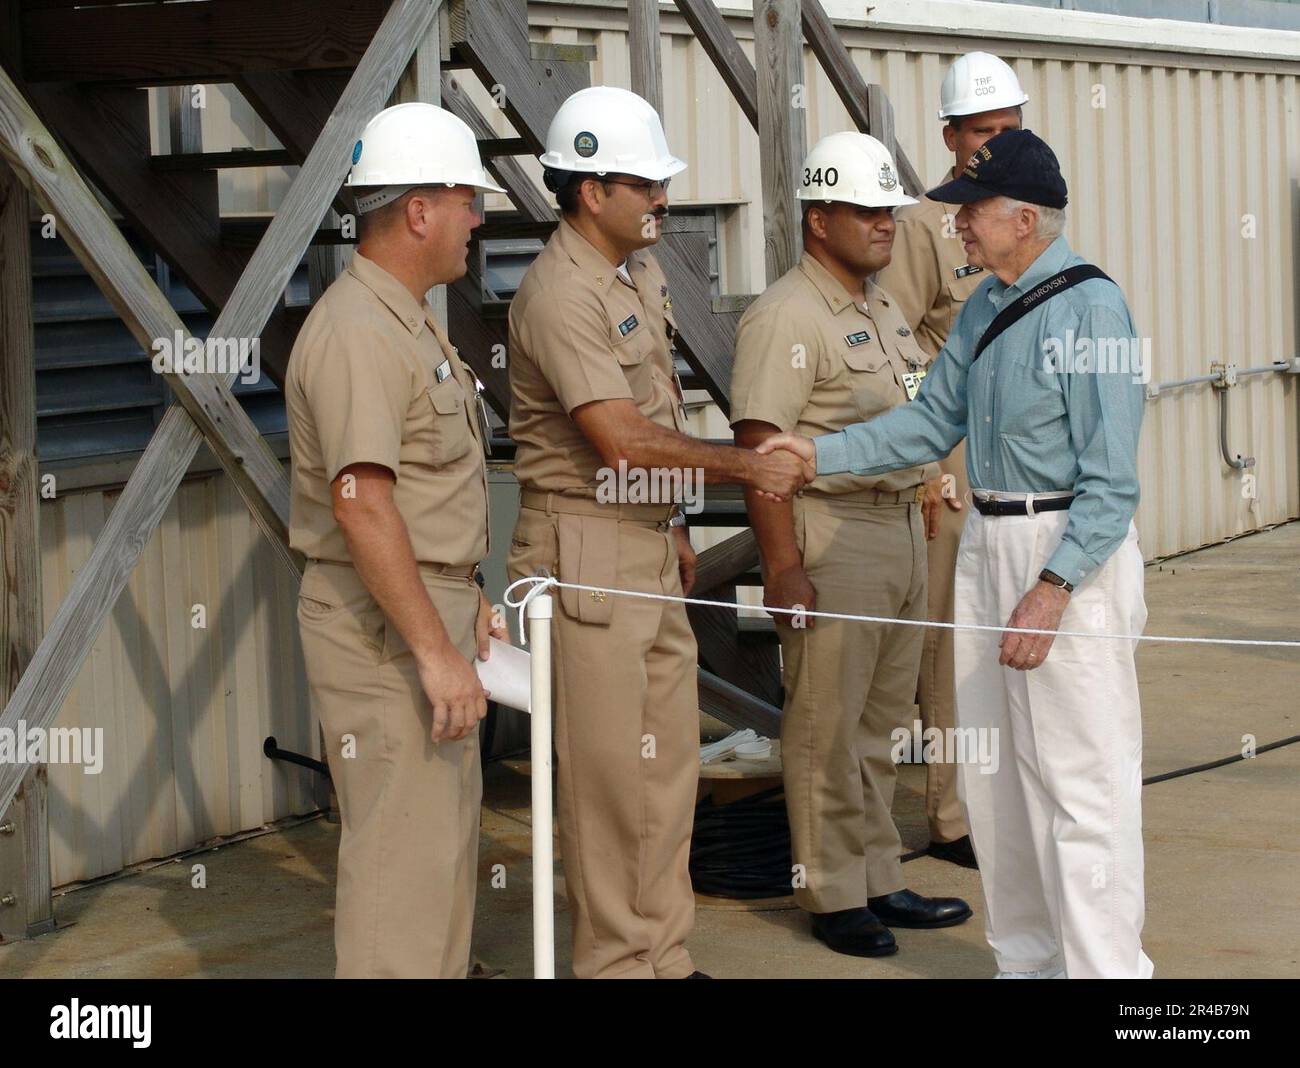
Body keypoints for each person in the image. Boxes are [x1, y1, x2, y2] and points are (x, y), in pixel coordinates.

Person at [759, 129, 1152, 979]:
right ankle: (1029, 964)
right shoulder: (982, 306)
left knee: (1082, 783)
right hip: (988, 543)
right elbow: (930, 424)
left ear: (1023, 217)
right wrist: (815, 455)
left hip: (1065, 551)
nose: (955, 228)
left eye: (969, 212)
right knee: (999, 783)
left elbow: (1113, 482)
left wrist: (1052, 590)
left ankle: (1108, 975)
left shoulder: (1094, 309)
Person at [506, 86, 805, 979]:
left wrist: (675, 519)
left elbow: (652, 411)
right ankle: (613, 968)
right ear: (591, 191)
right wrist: (749, 467)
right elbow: (619, 437)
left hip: (639, 542)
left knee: (667, 772)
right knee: (606, 788)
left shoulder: (636, 272)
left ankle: (662, 958)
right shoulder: (561, 292)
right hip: (585, 551)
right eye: (646, 185)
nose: (663, 201)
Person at [730, 132, 972, 958]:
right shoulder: (786, 317)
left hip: (902, 527)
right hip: (833, 533)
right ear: (818, 216)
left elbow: (911, 409)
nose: (885, 226)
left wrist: (931, 483)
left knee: (876, 726)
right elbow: (764, 456)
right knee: (824, 728)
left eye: (890, 211)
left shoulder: (882, 308)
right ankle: (831, 893)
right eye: (867, 211)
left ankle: (876, 875)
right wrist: (784, 567)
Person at [286, 103, 506, 978]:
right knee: (398, 876)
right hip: (387, 636)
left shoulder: (405, 320)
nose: (478, 220)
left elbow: (416, 494)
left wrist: (465, 600)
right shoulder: (358, 332)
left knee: (438, 864)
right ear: (418, 211)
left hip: (423, 614)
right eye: (465, 201)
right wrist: (433, 646)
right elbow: (363, 506)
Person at [878, 51, 1029, 870]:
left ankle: (1010, 791)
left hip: (1028, 446)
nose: (999, 141)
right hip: (958, 449)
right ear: (950, 136)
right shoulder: (924, 226)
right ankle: (952, 812)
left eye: (1010, 127)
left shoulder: (1027, 214)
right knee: (952, 636)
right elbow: (898, 349)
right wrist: (930, 457)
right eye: (983, 129)